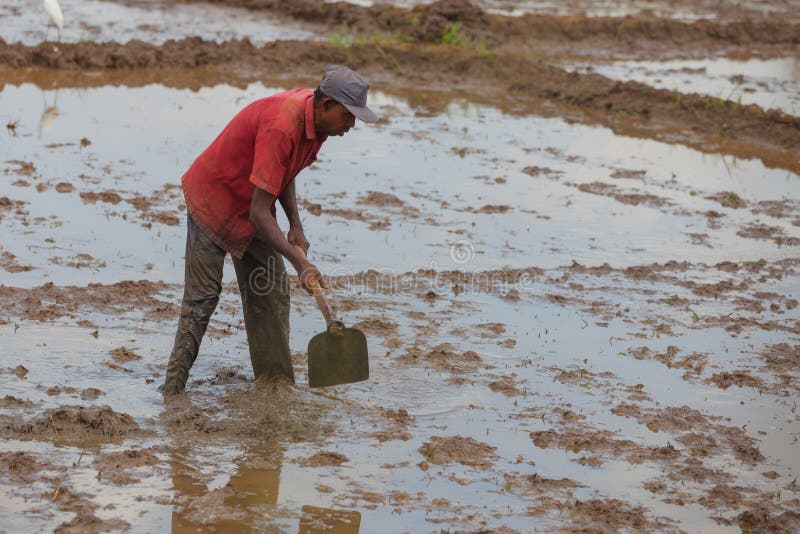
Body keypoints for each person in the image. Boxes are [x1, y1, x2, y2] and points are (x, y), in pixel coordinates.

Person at [161, 65, 379, 396]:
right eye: (349, 116)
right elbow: (260, 213)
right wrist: (300, 263)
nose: (351, 125)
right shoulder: (283, 124)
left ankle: (275, 388)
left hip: (252, 202)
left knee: (272, 294)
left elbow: (285, 169)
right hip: (216, 198)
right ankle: (172, 391)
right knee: (202, 299)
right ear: (327, 105)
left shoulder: (317, 125)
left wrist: (295, 224)